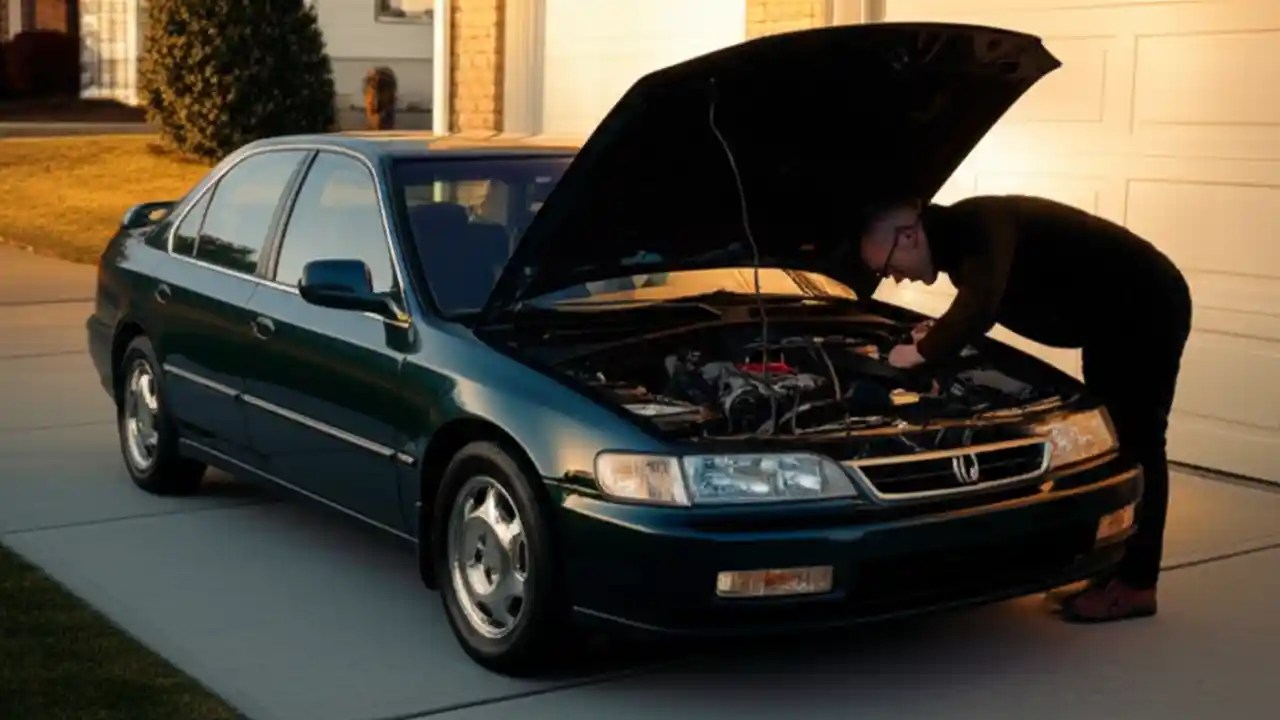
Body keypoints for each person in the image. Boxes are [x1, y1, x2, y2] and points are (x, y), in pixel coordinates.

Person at [855, 193, 1193, 623]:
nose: (896, 280)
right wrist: (940, 335)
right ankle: (1115, 569)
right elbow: (978, 304)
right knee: (1121, 437)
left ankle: (1136, 585)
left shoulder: (980, 223)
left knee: (1140, 439)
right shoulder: (963, 246)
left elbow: (981, 306)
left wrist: (922, 351)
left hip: (1146, 305)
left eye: (887, 268)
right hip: (1110, 321)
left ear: (908, 236)